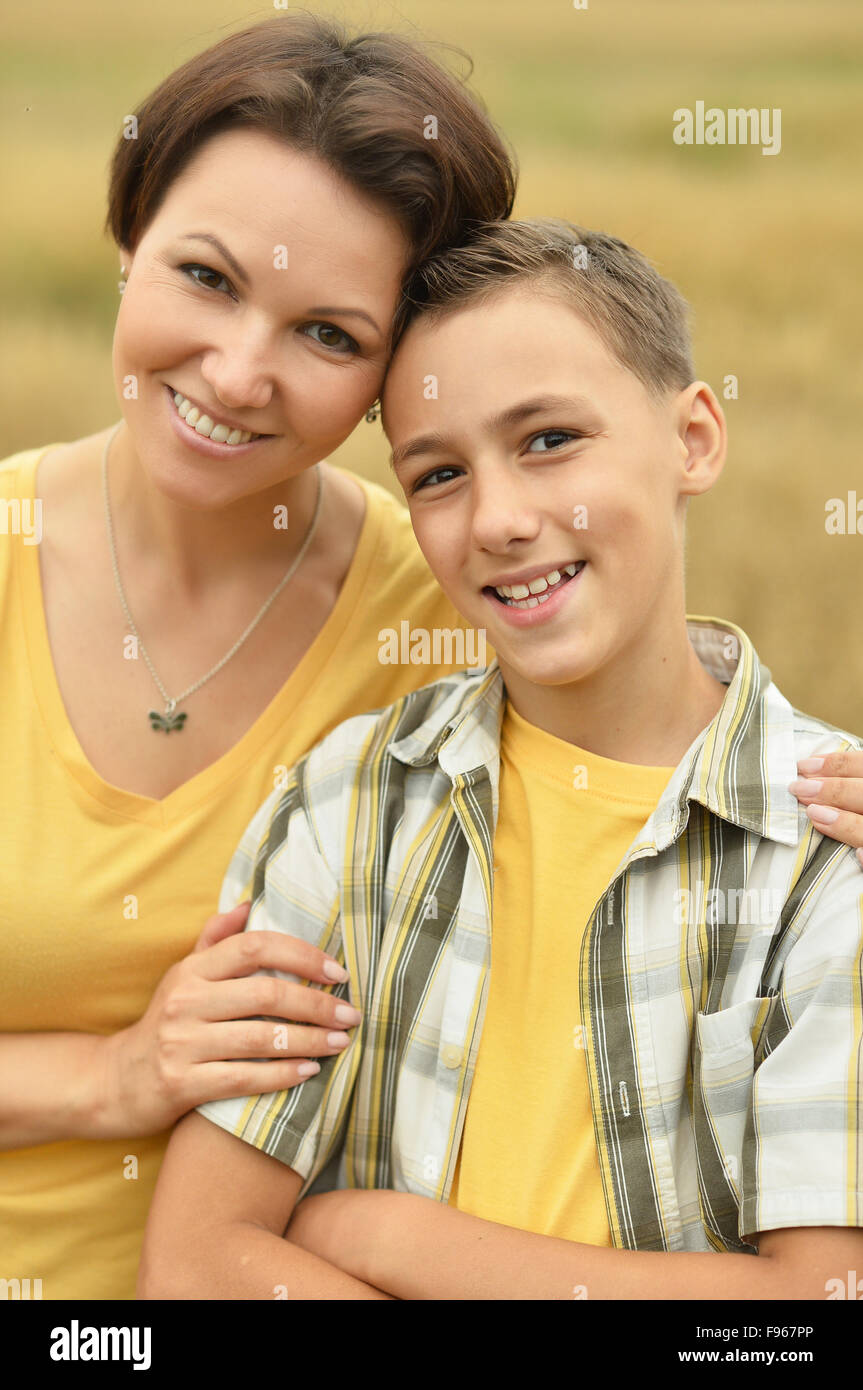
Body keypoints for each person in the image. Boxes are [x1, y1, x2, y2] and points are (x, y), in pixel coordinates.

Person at [139, 218, 863, 1299]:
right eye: (435, 474)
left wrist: (388, 1237)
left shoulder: (826, 852)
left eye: (547, 441)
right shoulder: (350, 802)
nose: (499, 519)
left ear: (694, 438)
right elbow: (195, 1267)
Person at [0, 12, 517, 1300]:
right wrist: (116, 1071)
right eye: (207, 278)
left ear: (401, 370)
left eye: (328, 335)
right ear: (129, 241)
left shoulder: (453, 617)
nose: (236, 374)